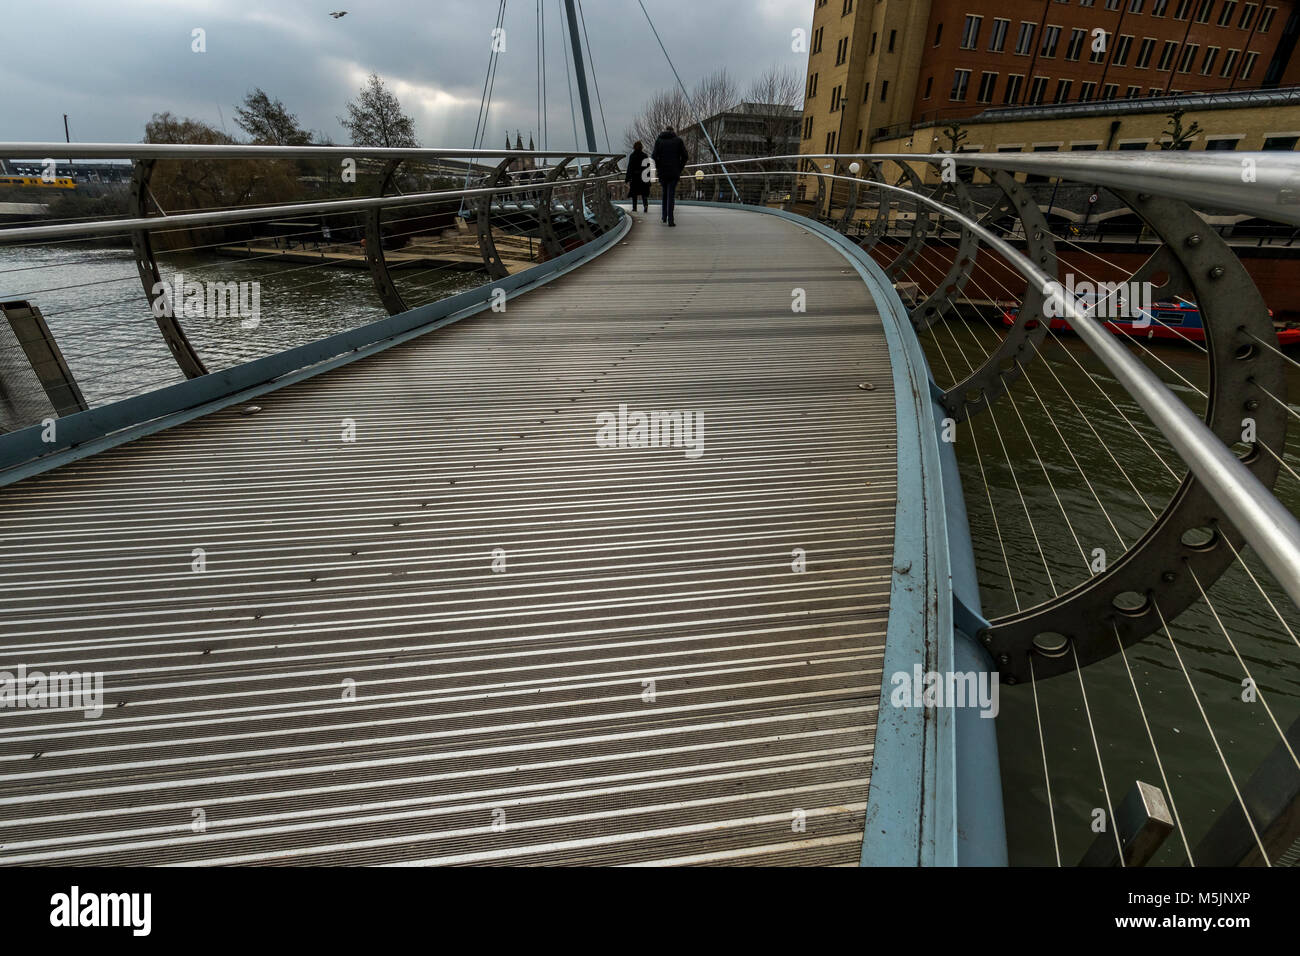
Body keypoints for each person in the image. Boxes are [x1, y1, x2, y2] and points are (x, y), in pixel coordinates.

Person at [651, 125, 689, 226]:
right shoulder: (678, 141)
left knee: (664, 193)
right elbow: (685, 156)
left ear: (665, 131)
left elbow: (653, 156)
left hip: (663, 172)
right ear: (673, 131)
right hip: (674, 171)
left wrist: (659, 166)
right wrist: (679, 168)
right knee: (671, 194)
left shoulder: (659, 140)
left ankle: (664, 216)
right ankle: (671, 220)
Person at [626, 141, 651, 213]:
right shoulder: (644, 155)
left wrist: (627, 178)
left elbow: (630, 167)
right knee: (644, 192)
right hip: (643, 176)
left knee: (634, 193)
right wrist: (648, 178)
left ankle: (634, 208)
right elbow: (648, 168)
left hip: (635, 177)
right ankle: (645, 206)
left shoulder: (632, 156)